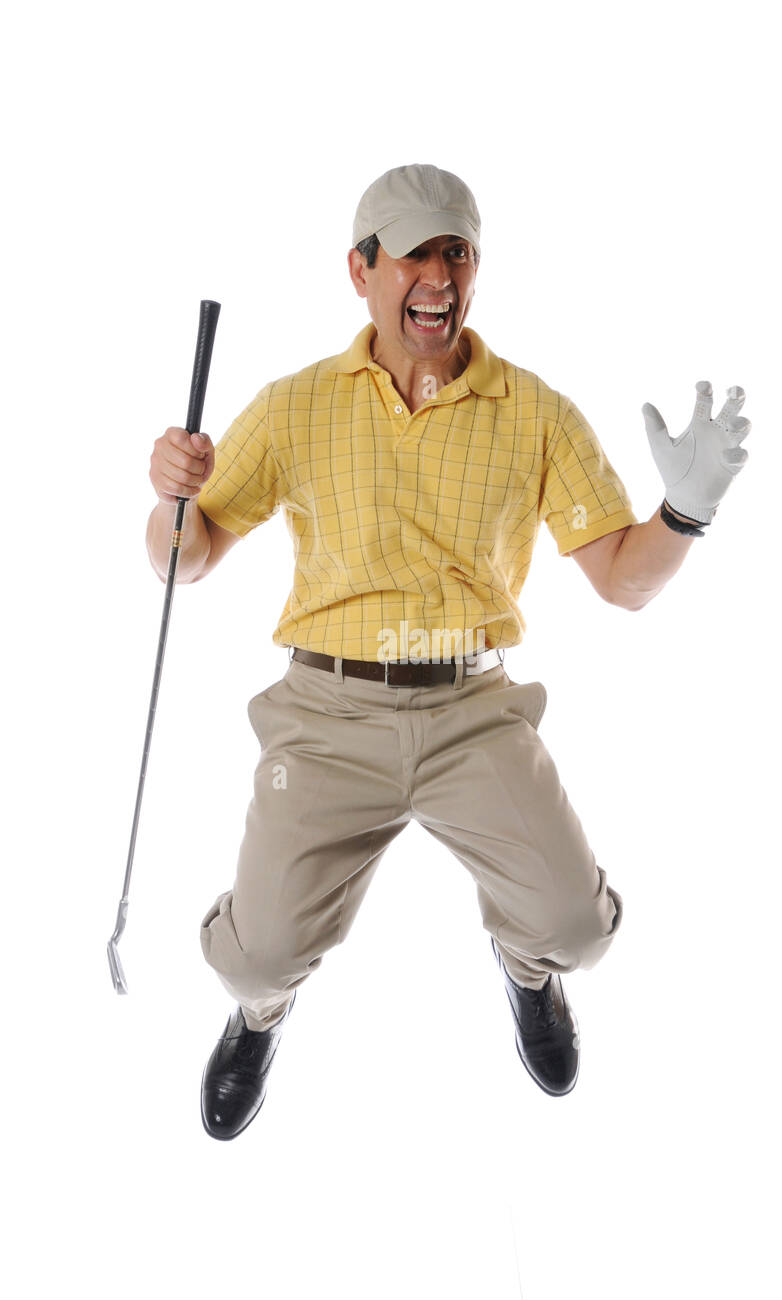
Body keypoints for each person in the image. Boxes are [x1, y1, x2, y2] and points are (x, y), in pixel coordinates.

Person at [146, 164, 750, 1141]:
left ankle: (526, 975)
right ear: (361, 269)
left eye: (455, 252)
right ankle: (261, 1014)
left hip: (471, 712)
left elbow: (621, 582)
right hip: (328, 715)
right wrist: (173, 500)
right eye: (413, 253)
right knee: (252, 959)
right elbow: (188, 557)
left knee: (572, 931)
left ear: (475, 268)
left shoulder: (536, 412)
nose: (437, 277)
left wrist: (686, 510)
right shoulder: (296, 405)